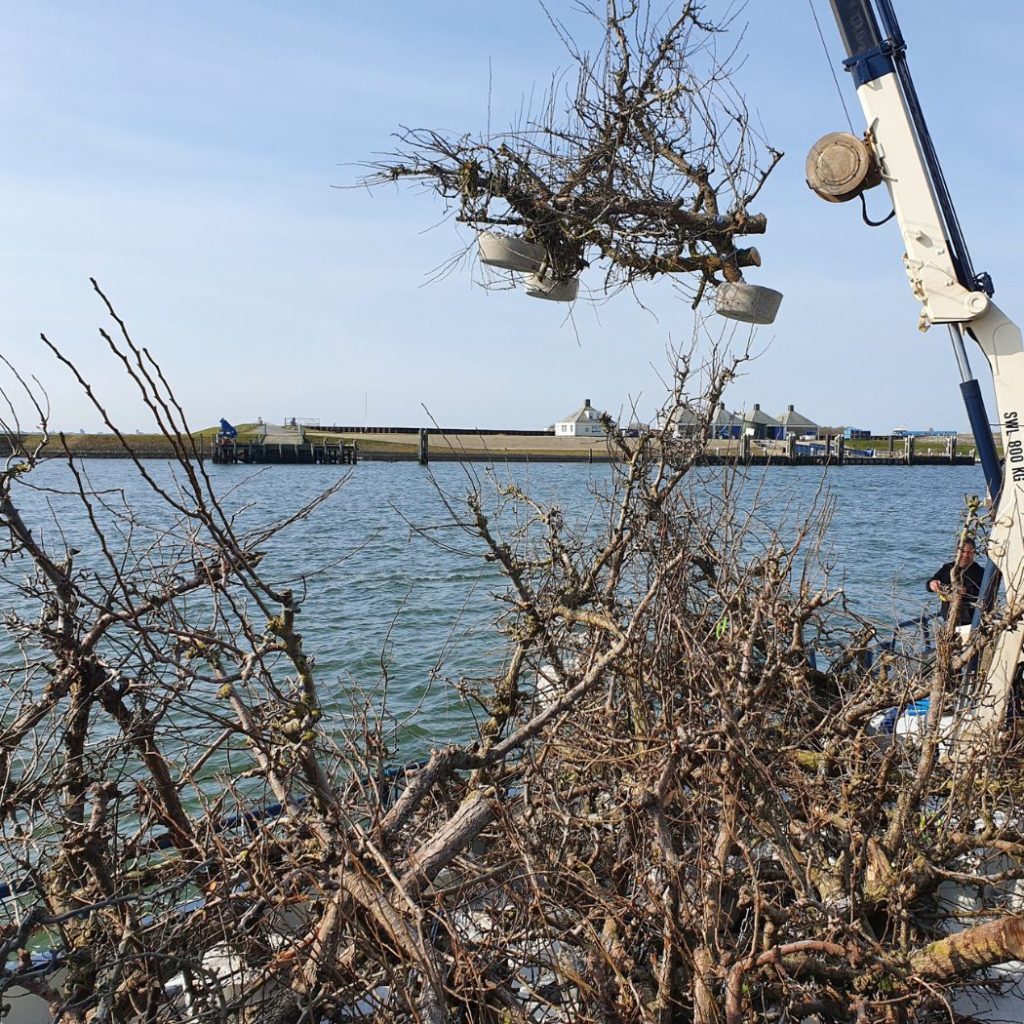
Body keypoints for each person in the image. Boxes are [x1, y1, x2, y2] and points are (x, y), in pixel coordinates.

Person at [927, 537, 984, 626]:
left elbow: (985, 596)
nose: (965, 555)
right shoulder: (947, 568)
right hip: (948, 620)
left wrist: (966, 592)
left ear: (974, 553)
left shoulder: (980, 572)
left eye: (969, 552)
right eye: (963, 551)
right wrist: (932, 584)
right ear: (957, 552)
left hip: (970, 622)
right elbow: (929, 585)